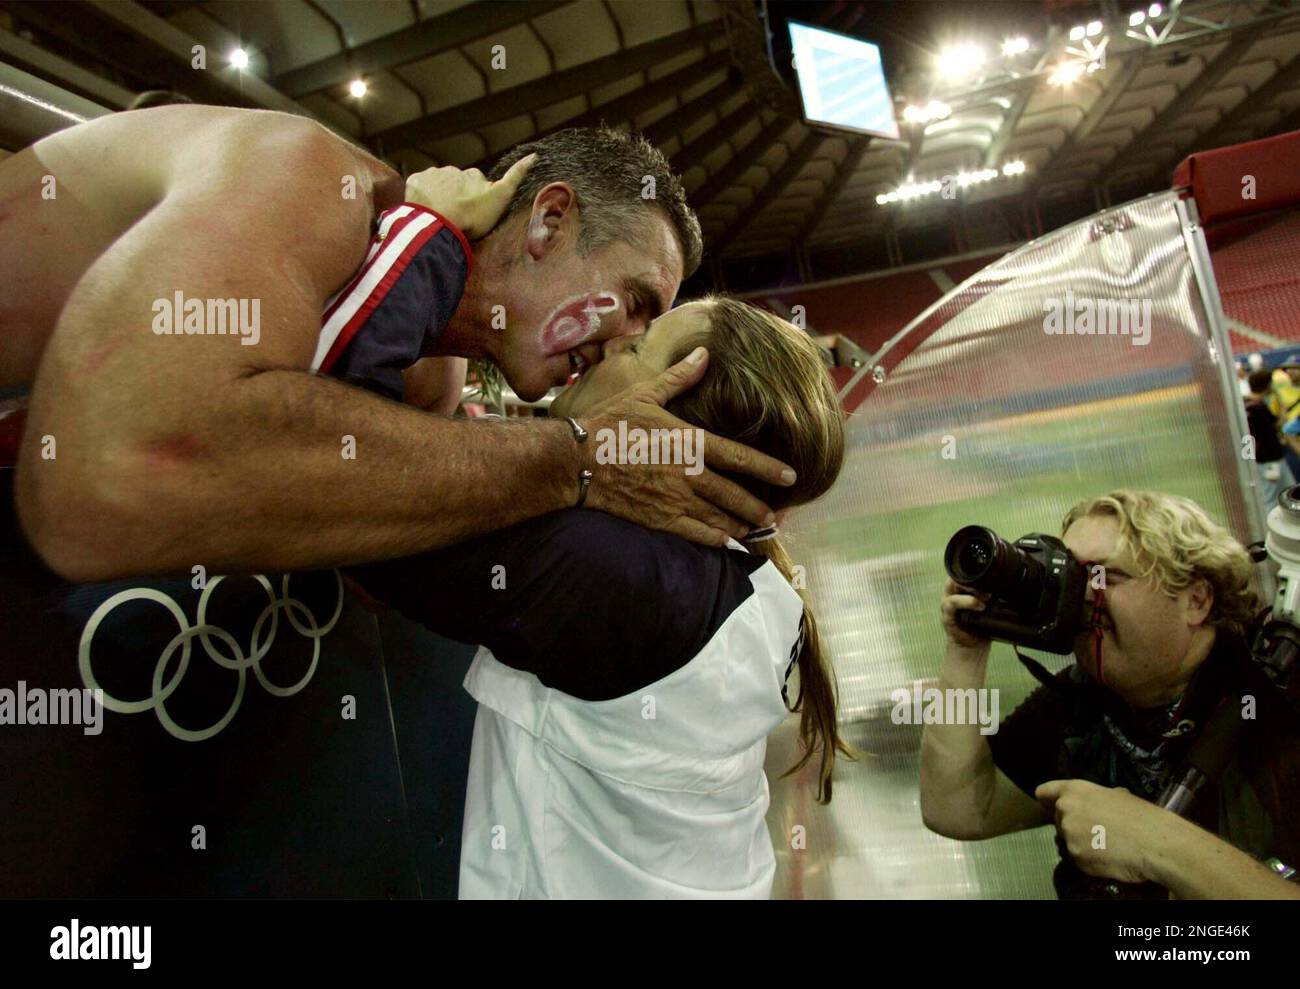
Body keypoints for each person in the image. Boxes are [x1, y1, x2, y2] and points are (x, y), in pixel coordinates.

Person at [0, 106, 793, 585]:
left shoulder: (433, 380)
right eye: (635, 302)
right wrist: (574, 458)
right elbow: (104, 482)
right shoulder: (312, 178)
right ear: (551, 222)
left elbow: (369, 558)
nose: (629, 346)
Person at [351, 297, 850, 899]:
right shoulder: (740, 577)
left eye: (640, 349)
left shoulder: (613, 570)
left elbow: (351, 497)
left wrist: (428, 253)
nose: (613, 342)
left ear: (668, 424)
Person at [922, 490, 1300, 899]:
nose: (1078, 597)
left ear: (1196, 600)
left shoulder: (1277, 695)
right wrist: (965, 650)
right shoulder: (1082, 701)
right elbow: (956, 810)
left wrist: (1155, 842)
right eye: (1071, 576)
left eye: (1104, 577)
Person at [1245, 368, 1295, 515]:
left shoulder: (1247, 404)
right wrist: (1281, 406)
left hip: (1263, 458)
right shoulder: (1258, 407)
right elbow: (1278, 424)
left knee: (1288, 492)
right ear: (1267, 386)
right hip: (1270, 459)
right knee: (1272, 499)